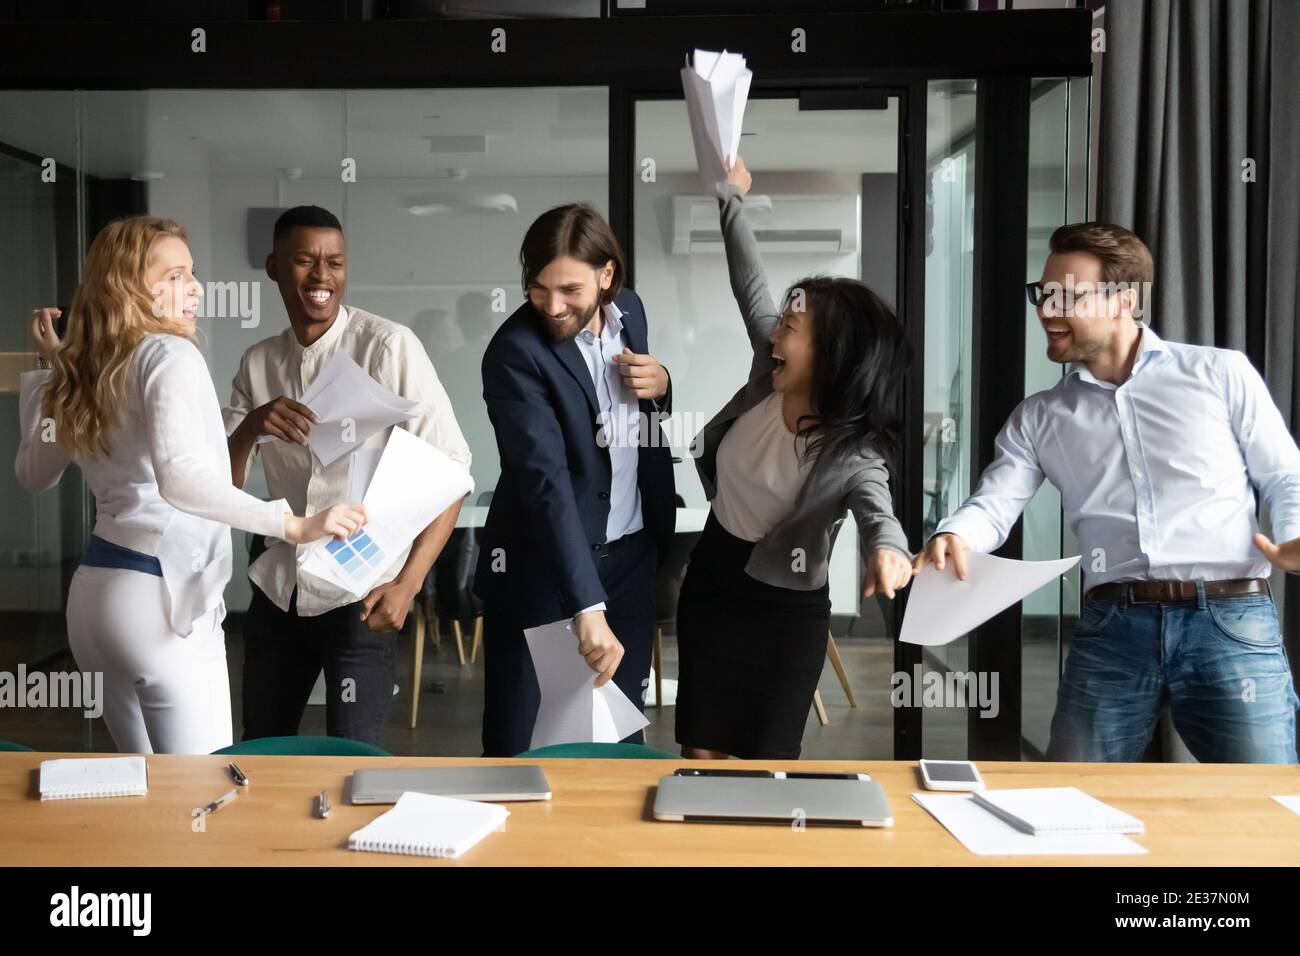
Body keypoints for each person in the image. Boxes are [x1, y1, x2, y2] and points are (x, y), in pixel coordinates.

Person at [915, 221, 1300, 763]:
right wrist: (955, 532)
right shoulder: (1041, 416)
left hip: (1230, 620)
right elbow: (995, 503)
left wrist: (1293, 534)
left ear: (1123, 299)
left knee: (1264, 817)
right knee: (1068, 801)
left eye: (1064, 295)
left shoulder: (1219, 374)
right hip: (1112, 627)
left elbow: (1284, 472)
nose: (1046, 309)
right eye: (1041, 293)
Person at [16, 216, 365, 755]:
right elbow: (180, 480)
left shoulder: (87, 365)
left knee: (146, 793)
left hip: (93, 603)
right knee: (202, 799)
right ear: (130, 286)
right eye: (175, 275)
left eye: (192, 273)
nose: (196, 287)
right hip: (160, 602)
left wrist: (49, 366)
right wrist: (292, 524)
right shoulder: (169, 354)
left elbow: (32, 473)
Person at [674, 157, 915, 760]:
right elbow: (749, 281)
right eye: (780, 322)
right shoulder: (769, 369)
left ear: (831, 355)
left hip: (787, 604)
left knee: (765, 761)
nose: (775, 333)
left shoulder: (853, 452)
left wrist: (886, 550)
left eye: (791, 326)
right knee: (701, 752)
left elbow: (875, 509)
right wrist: (730, 197)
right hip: (713, 574)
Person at [224, 205, 472, 748]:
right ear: (272, 267)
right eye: (305, 261)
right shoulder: (257, 363)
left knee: (356, 759)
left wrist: (408, 585)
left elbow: (452, 471)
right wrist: (251, 429)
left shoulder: (388, 347)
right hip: (278, 592)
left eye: (334, 262)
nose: (321, 276)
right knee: (260, 749)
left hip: (361, 595)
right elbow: (224, 490)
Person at [475, 202, 675, 757]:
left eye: (568, 289)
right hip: (542, 572)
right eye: (539, 288)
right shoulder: (514, 353)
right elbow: (545, 480)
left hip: (628, 563)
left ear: (607, 277)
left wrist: (662, 385)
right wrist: (584, 605)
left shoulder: (630, 312)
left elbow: (641, 423)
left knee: (617, 742)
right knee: (526, 745)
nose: (552, 305)